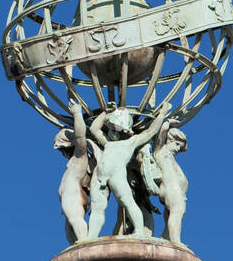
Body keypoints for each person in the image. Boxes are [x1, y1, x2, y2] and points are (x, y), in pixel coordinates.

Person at [87, 100, 171, 239]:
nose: (113, 131)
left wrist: (162, 114)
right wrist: (106, 113)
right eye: (112, 128)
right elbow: (94, 129)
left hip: (116, 176)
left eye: (117, 129)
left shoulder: (130, 143)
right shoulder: (107, 143)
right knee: (97, 207)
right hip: (100, 176)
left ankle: (139, 231)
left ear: (125, 131)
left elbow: (151, 132)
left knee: (127, 201)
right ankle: (91, 237)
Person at [54, 99, 94, 243]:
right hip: (69, 198)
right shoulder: (72, 162)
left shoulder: (79, 157)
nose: (63, 153)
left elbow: (80, 137)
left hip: (74, 196)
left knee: (75, 219)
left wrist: (77, 114)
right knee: (70, 227)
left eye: (63, 149)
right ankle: (79, 245)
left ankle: (85, 243)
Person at [153, 120, 189, 244]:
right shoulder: (160, 151)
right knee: (177, 211)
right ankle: (176, 242)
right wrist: (166, 122)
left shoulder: (170, 157)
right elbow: (161, 134)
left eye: (180, 146)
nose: (178, 149)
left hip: (176, 191)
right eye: (177, 144)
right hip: (170, 188)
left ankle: (166, 237)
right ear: (169, 140)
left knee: (172, 214)